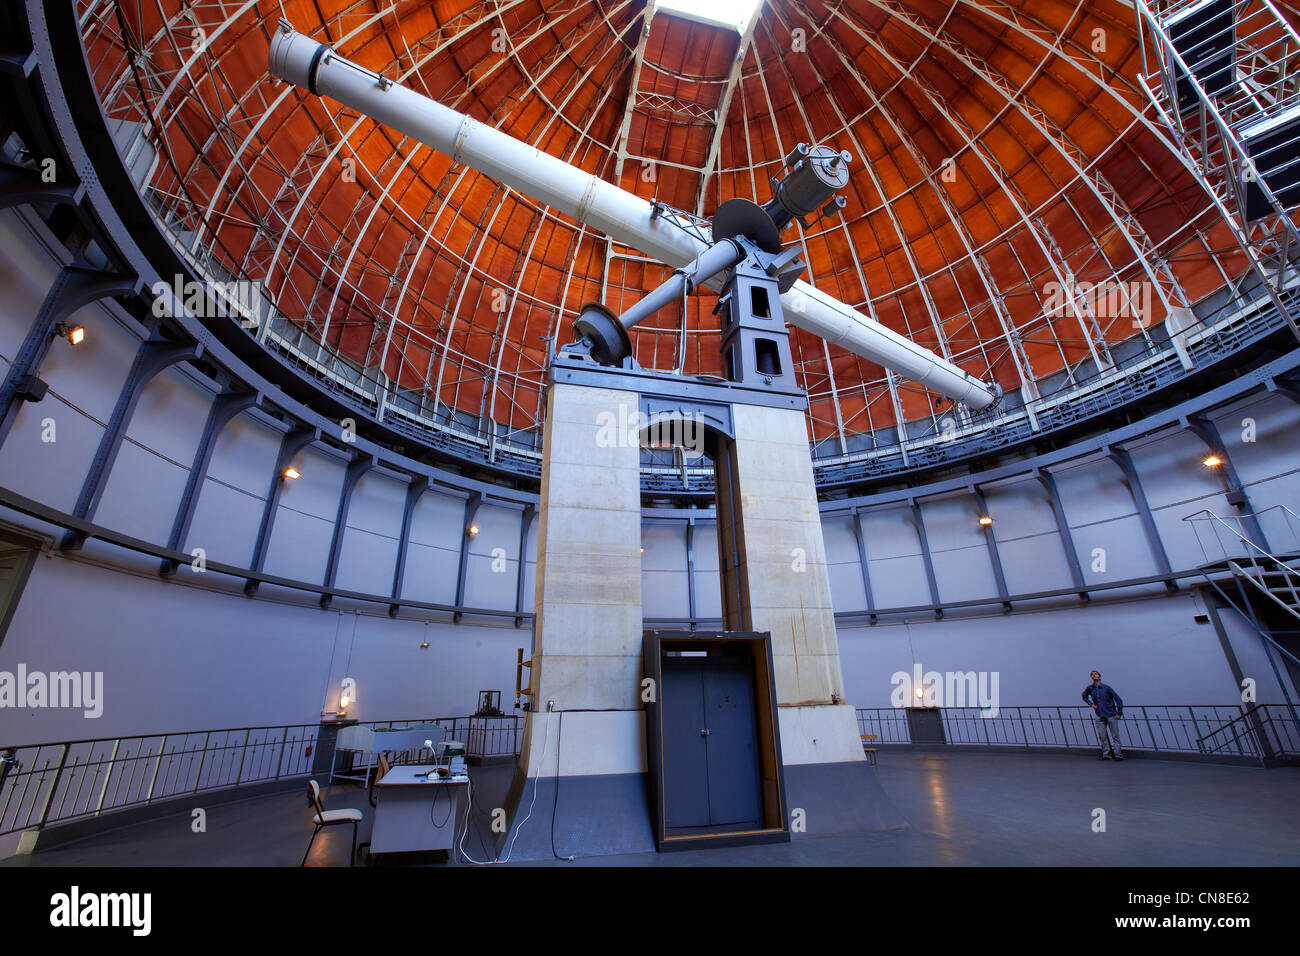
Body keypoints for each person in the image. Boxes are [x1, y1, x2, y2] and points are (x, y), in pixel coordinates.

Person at [1082, 670, 1124, 760]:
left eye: (1095, 674)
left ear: (1099, 677)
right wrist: (1091, 704)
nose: (1094, 675)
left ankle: (1118, 755)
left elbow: (1118, 700)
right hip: (1099, 715)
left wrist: (1119, 713)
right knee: (1102, 735)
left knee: (1115, 736)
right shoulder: (1090, 688)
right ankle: (1106, 754)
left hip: (1111, 715)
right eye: (1092, 675)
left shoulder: (1106, 688)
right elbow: (1084, 696)